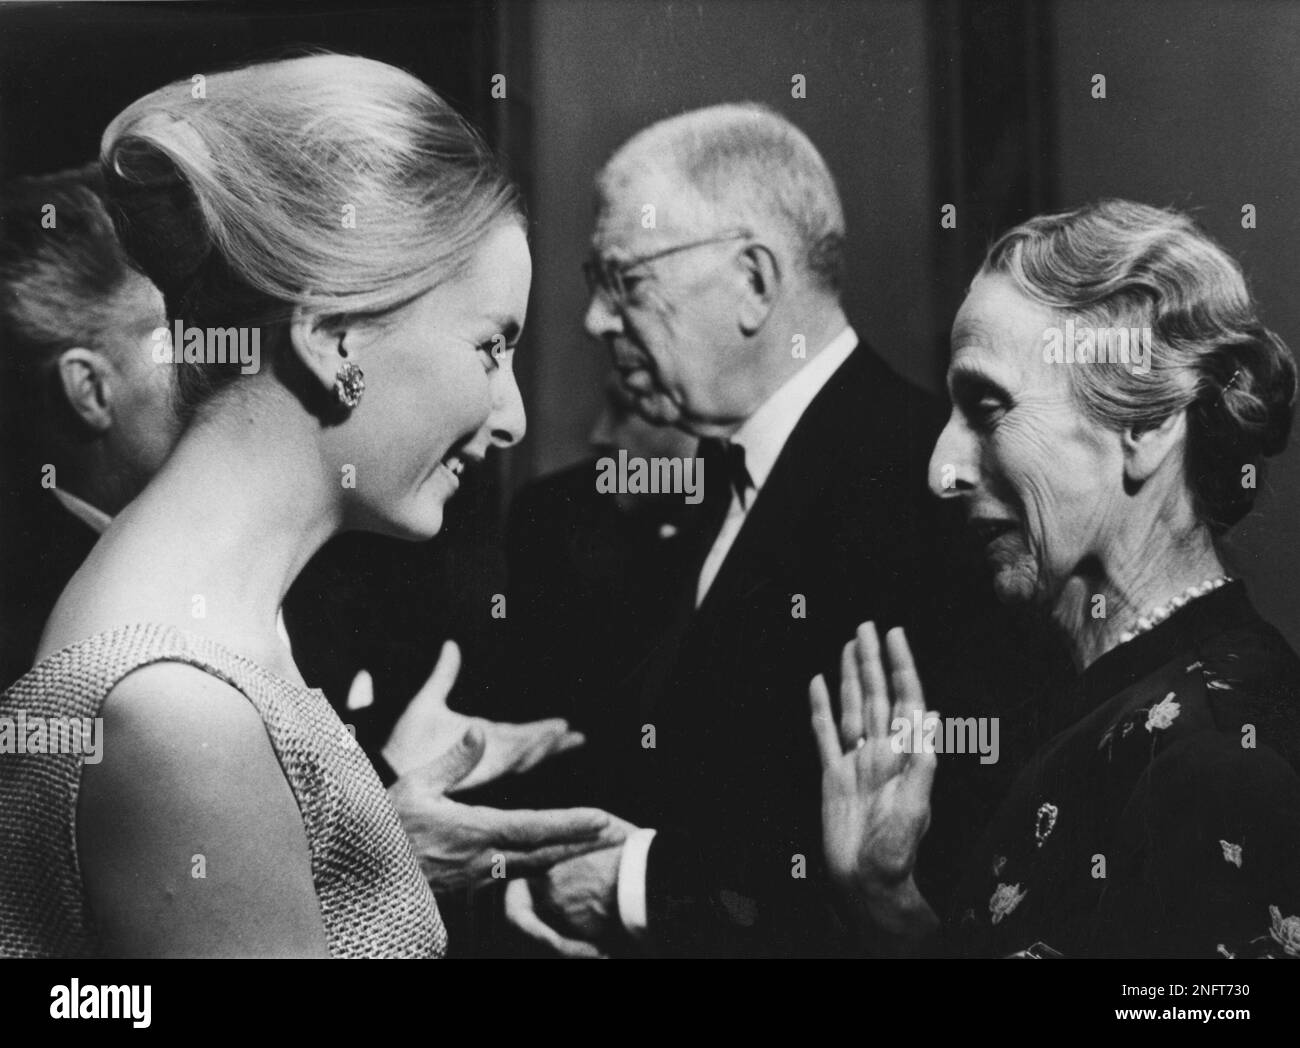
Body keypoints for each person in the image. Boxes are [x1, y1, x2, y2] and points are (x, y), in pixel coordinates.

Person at [0, 54, 623, 958]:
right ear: (334, 339)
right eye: (492, 348)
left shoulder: (216, 632)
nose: (514, 419)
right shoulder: (179, 711)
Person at [506, 103, 1066, 957]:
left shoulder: (939, 498)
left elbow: (950, 864)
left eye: (625, 283)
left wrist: (635, 886)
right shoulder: (698, 487)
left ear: (756, 282)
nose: (596, 321)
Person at [812, 199, 1300, 958]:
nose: (943, 468)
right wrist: (887, 903)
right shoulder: (1100, 709)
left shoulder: (1217, 765)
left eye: (986, 406)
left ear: (1144, 425)